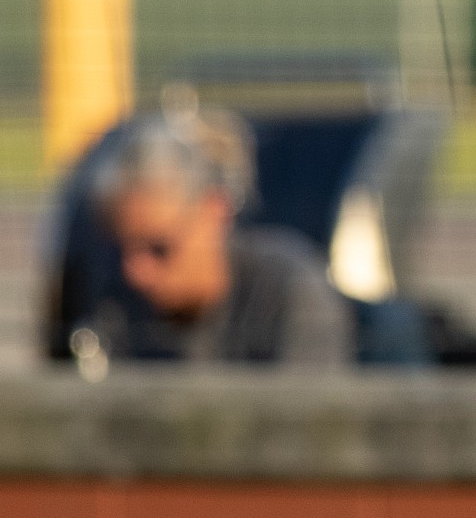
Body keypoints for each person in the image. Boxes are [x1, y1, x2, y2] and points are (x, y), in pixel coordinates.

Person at [49, 109, 356, 366]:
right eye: (121, 249)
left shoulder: (290, 294)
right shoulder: (112, 304)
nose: (135, 272)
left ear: (214, 211)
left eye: (159, 249)